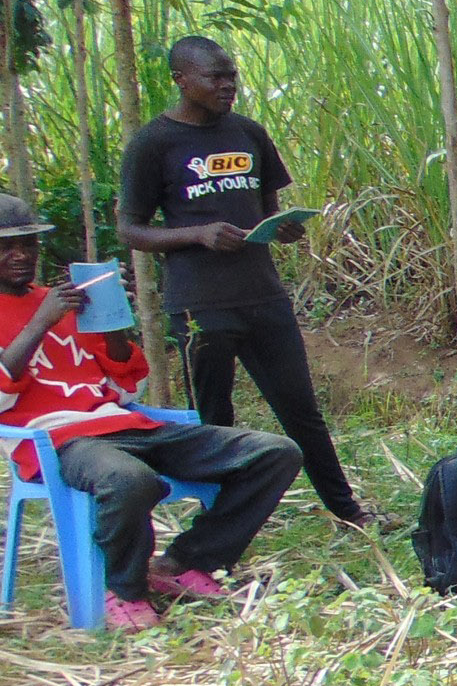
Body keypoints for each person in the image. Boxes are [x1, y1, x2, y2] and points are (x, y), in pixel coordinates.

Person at [0, 192, 301, 631]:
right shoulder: (32, 309)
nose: (21, 255)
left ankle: (184, 564)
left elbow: (124, 386)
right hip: (56, 439)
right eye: (5, 246)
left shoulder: (62, 302)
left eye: (29, 244)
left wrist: (112, 324)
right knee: (129, 481)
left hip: (126, 423)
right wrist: (40, 321)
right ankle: (126, 590)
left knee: (275, 452)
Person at [117, 35, 372, 527]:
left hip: (263, 296)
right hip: (199, 306)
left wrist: (284, 229)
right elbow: (129, 228)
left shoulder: (249, 134)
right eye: (215, 76)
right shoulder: (153, 143)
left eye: (231, 75)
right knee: (214, 421)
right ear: (181, 80)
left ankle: (348, 512)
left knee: (301, 412)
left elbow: (268, 211)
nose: (227, 85)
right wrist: (198, 234)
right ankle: (218, 525)